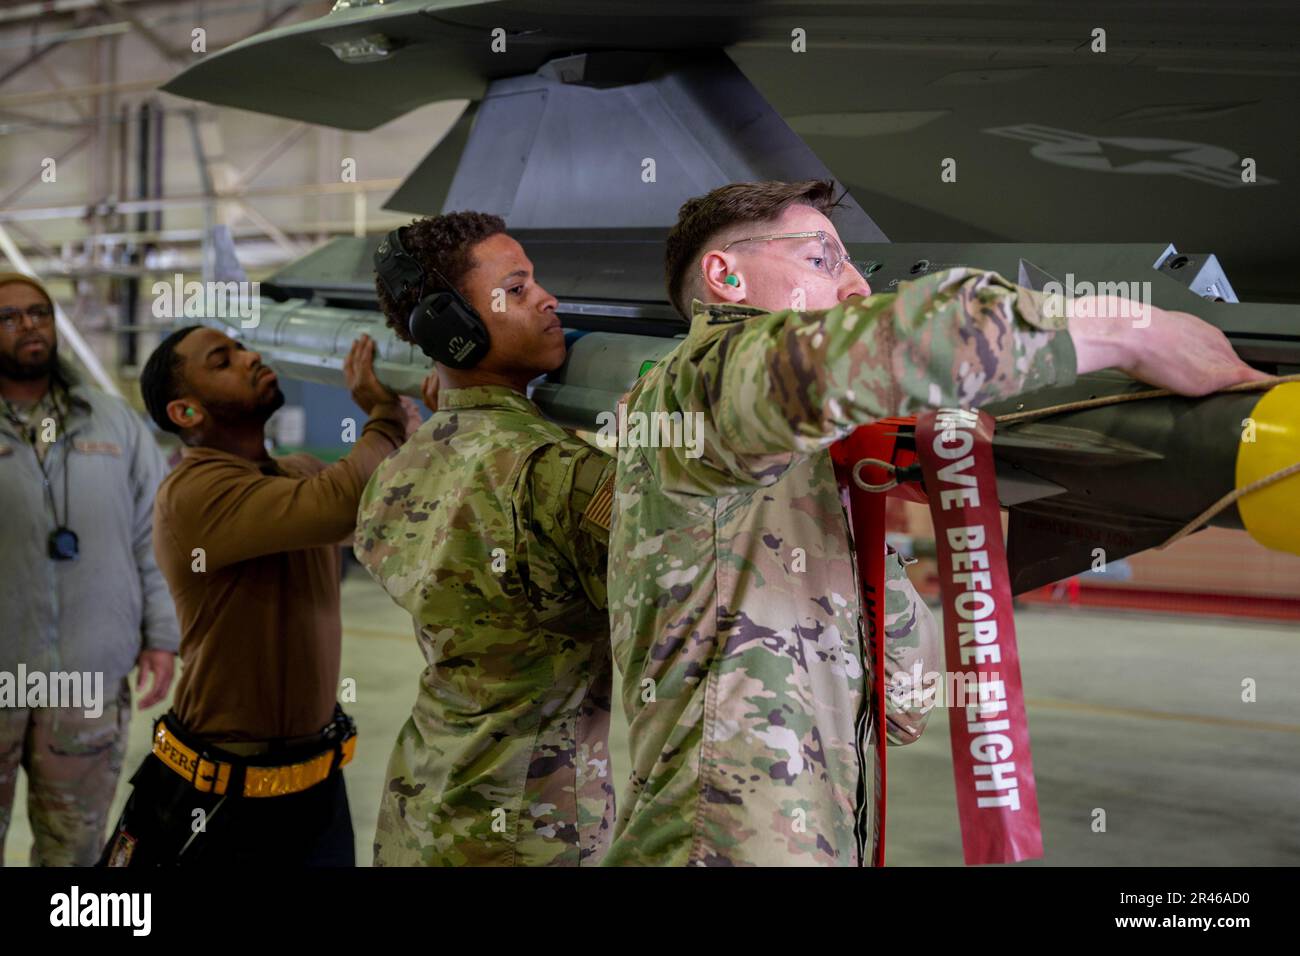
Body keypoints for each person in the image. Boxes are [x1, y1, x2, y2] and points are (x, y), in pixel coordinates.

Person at [602, 179, 1268, 866]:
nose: (858, 286)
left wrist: (863, 527)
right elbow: (904, 342)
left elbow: (902, 708)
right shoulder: (695, 383)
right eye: (822, 260)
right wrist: (1130, 330)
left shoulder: (787, 463)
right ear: (725, 275)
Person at [99, 324, 428, 866]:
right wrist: (385, 416)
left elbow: (384, 510)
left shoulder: (293, 475)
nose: (250, 357)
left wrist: (424, 435)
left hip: (316, 788)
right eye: (222, 360)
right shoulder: (191, 493)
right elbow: (338, 503)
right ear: (186, 413)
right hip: (218, 797)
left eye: (243, 348)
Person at [355, 212, 617, 866]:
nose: (548, 299)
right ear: (453, 329)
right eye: (519, 289)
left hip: (422, 802)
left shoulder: (398, 471)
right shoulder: (559, 476)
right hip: (533, 828)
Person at [0, 273, 178, 866]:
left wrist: (161, 637)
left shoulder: (112, 422)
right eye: (9, 318)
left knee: (75, 852)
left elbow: (152, 537)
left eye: (39, 313)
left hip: (87, 679)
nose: (29, 326)